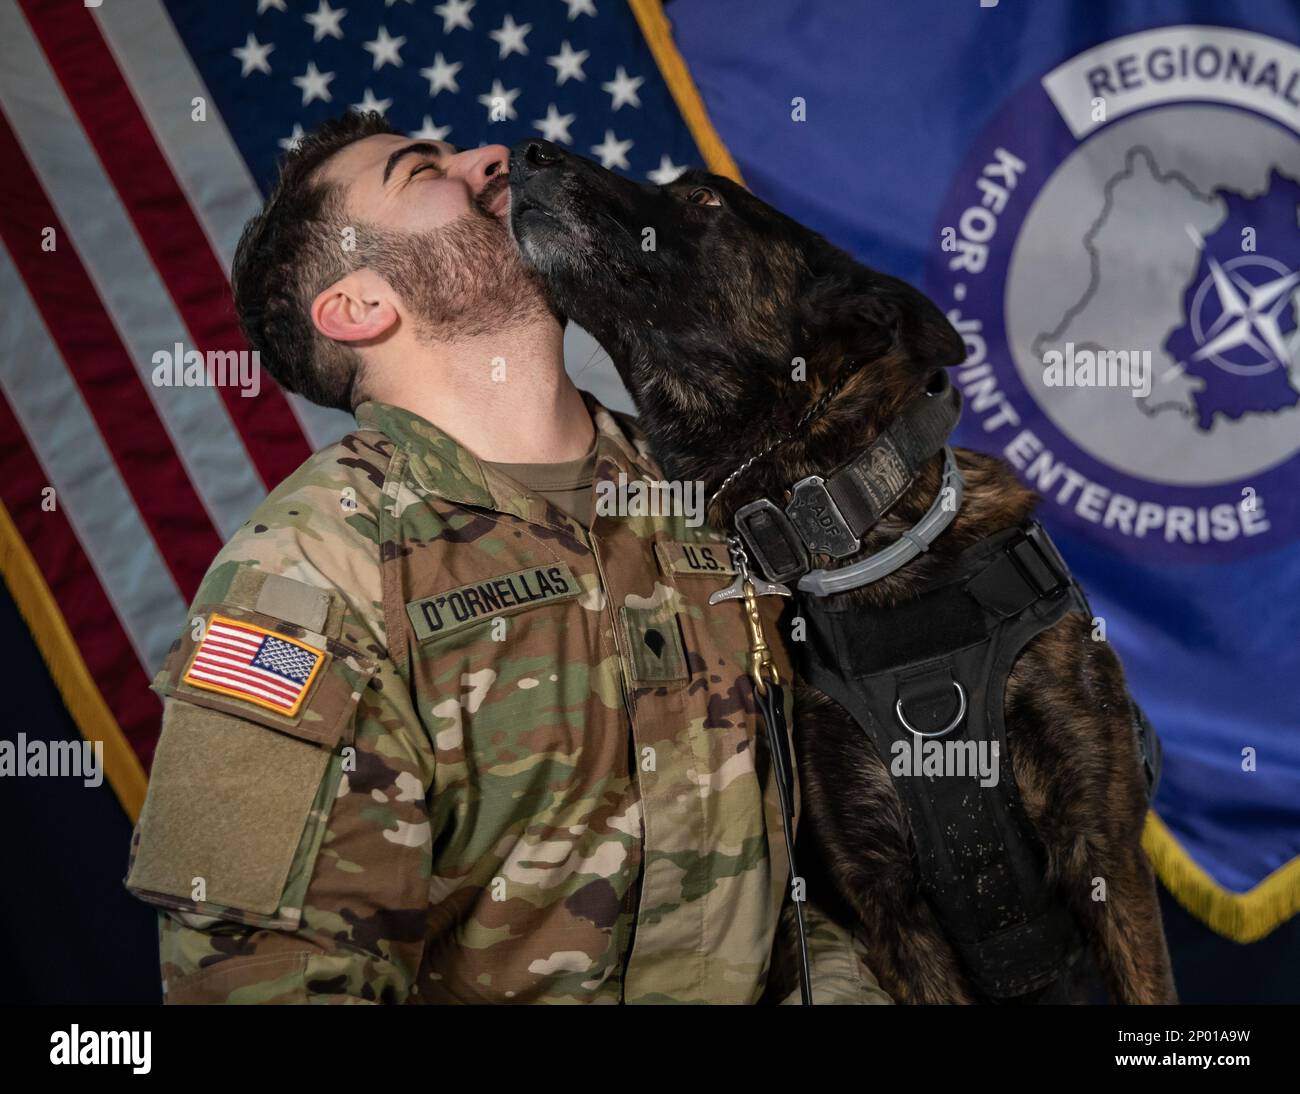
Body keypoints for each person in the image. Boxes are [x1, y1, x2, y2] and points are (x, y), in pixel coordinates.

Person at [123, 110, 889, 1005]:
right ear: (361, 307)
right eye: (419, 170)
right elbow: (270, 984)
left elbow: (818, 870)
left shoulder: (719, 498)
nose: (492, 157)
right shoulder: (310, 573)